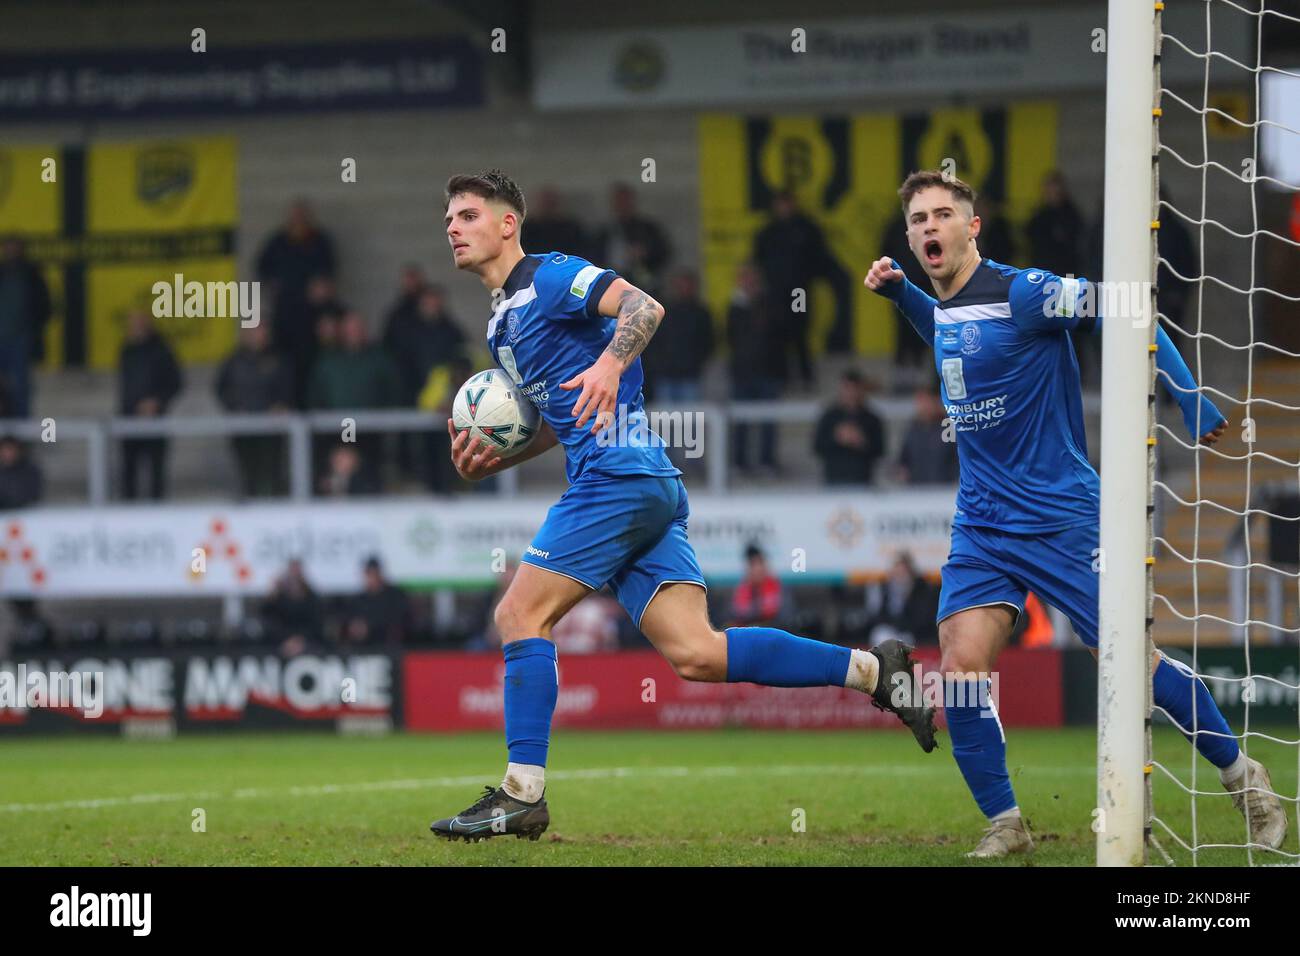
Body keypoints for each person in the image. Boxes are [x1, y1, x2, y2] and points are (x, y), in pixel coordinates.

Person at [430, 169, 936, 842]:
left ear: (507, 224)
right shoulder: (500, 328)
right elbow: (561, 412)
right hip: (642, 483)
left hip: (616, 477)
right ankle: (875, 671)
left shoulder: (551, 278)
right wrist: (502, 455)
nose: (454, 228)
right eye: (448, 220)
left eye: (467, 215)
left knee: (518, 612)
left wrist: (612, 363)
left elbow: (645, 307)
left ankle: (522, 794)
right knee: (698, 654)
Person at [865, 169, 1285, 857]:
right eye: (918, 220)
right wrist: (901, 294)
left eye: (944, 215)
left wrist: (1187, 396)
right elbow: (945, 329)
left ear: (974, 227)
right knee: (961, 664)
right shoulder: (945, 306)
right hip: (983, 524)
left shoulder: (1026, 293)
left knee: (1126, 660)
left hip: (1065, 517)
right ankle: (1007, 823)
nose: (930, 228)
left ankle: (1244, 778)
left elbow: (1129, 306)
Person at [215, 322, 293, 497]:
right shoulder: (232, 361)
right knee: (247, 470)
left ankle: (273, 509)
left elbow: (288, 386)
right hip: (243, 428)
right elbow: (221, 389)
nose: (259, 334)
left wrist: (282, 404)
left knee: (272, 470)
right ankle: (248, 506)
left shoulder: (278, 358)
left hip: (272, 428)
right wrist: (234, 408)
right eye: (254, 331)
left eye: (262, 330)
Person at [726, 262, 785, 476]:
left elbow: (779, 333)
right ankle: (740, 462)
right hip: (743, 373)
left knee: (768, 420)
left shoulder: (770, 303)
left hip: (769, 371)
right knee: (741, 420)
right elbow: (732, 337)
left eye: (751, 279)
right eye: (744, 279)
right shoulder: (735, 307)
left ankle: (766, 461)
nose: (748, 283)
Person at [118, 309, 183, 500]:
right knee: (129, 469)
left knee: (156, 470)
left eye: (139, 324)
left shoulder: (162, 350)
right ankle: (127, 513)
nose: (134, 329)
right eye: (132, 324)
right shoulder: (126, 350)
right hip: (129, 418)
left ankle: (157, 512)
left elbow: (175, 383)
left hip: (156, 419)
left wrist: (157, 402)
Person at [0, 237, 52, 418]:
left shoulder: (32, 274)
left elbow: (45, 306)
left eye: (14, 247)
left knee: (21, 385)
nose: (11, 251)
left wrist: (34, 330)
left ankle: (22, 427)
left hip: (21, 339)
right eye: (8, 247)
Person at [811, 370, 886, 486]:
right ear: (841, 389)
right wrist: (836, 438)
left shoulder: (872, 419)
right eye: (847, 388)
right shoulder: (829, 417)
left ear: (861, 390)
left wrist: (861, 442)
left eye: (854, 388)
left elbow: (880, 451)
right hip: (833, 480)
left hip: (862, 480)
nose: (851, 393)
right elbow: (817, 447)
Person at [895, 387, 960, 486]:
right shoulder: (912, 428)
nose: (924, 406)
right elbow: (904, 458)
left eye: (927, 402)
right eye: (920, 402)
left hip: (944, 487)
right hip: (916, 488)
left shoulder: (948, 426)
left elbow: (956, 458)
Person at [341, 557, 411, 647]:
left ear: (380, 574)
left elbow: (400, 622)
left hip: (389, 647)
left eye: (373, 574)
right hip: (363, 648)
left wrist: (370, 627)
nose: (371, 578)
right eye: (368, 574)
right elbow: (349, 622)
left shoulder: (394, 596)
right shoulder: (359, 600)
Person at [729, 544, 790, 628]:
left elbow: (785, 616)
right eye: (752, 564)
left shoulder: (778, 587)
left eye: (760, 563)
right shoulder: (741, 590)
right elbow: (736, 614)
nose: (757, 569)